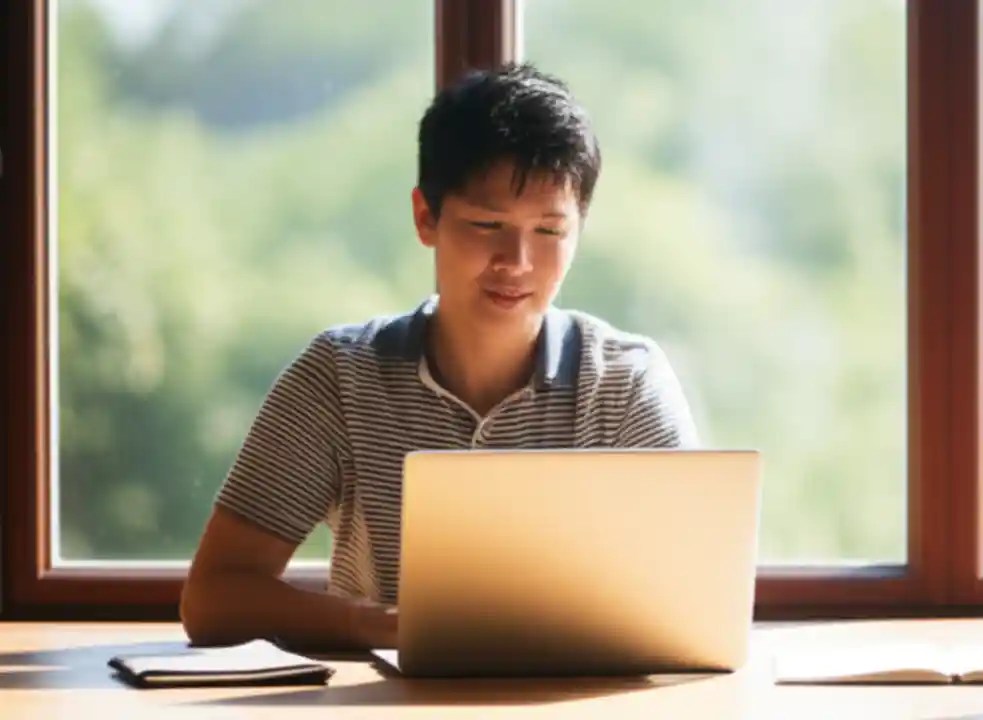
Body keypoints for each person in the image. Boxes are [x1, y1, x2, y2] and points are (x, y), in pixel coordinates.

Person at [179, 63, 699, 650]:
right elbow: (212, 598)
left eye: (550, 232)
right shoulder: (339, 376)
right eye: (487, 224)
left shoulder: (627, 384)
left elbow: (693, 603)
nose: (517, 261)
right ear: (426, 217)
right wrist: (376, 625)